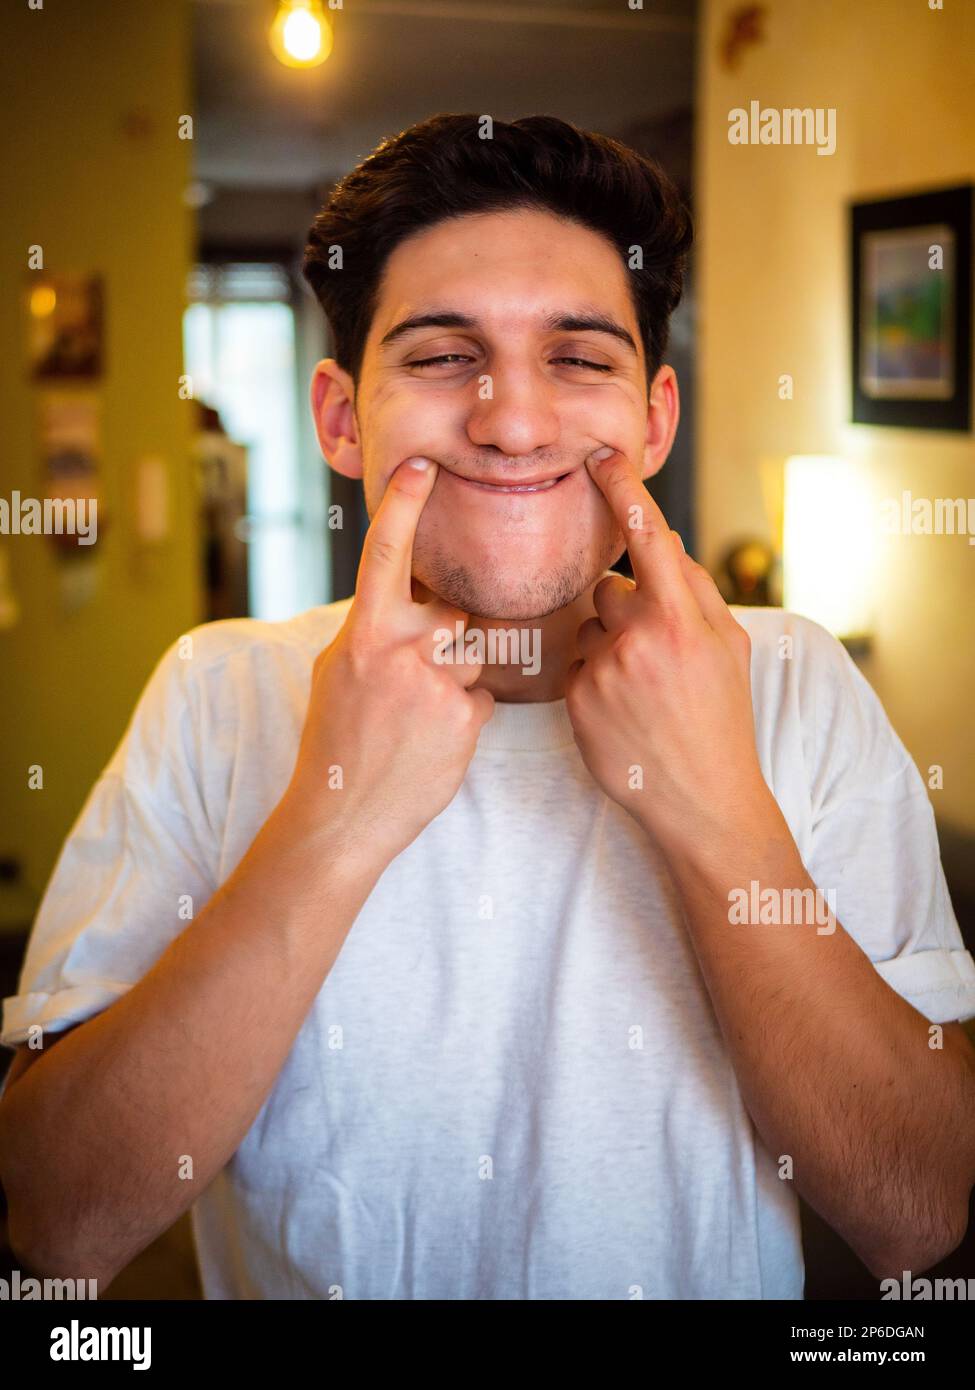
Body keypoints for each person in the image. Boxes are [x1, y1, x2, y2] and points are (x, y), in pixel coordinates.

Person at [2, 114, 974, 1301]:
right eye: (440, 354)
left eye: (578, 358)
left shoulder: (796, 684)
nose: (513, 421)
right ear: (343, 419)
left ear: (654, 417)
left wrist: (718, 809)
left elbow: (919, 1214)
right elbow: (59, 1223)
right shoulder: (214, 694)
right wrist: (336, 816)